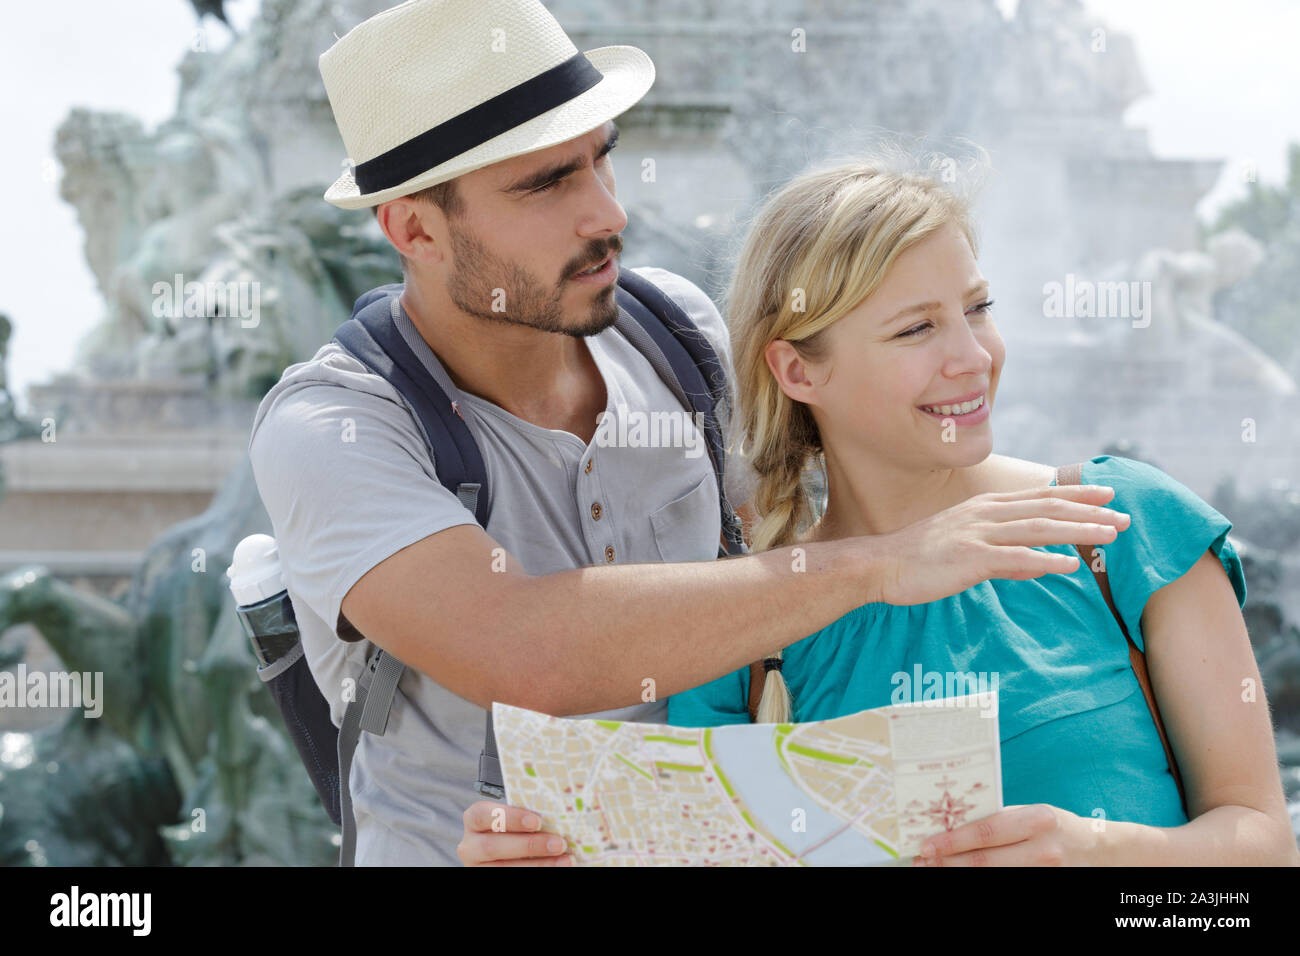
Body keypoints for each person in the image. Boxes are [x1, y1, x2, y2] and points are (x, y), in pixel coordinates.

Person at [249, 0, 1132, 866]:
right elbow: (525, 653)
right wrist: (890, 561)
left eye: (602, 161)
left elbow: (784, 568)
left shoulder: (678, 336)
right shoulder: (333, 429)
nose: (607, 214)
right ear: (414, 229)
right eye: (548, 183)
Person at [461, 156, 1299, 866]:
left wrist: (1093, 851)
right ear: (797, 372)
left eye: (976, 308)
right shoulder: (745, 632)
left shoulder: (1123, 528)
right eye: (915, 331)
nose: (972, 359)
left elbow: (1263, 849)